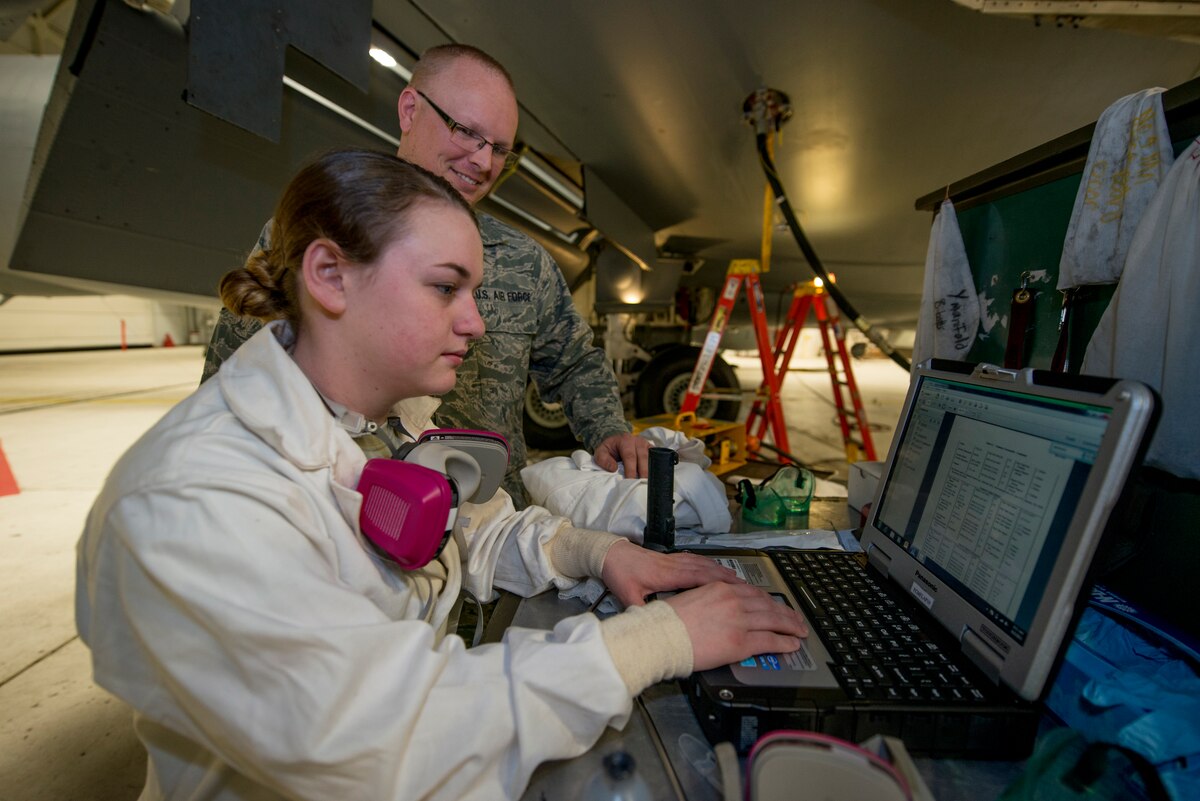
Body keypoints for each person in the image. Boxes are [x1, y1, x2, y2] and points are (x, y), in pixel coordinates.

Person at [77, 149, 808, 801]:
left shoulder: (371, 418)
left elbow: (467, 525)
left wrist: (597, 551)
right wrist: (660, 639)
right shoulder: (193, 500)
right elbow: (385, 738)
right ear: (330, 275)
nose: (477, 323)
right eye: (445, 288)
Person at [203, 44, 646, 507]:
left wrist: (609, 431)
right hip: (353, 518)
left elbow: (573, 361)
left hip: (493, 527)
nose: (483, 161)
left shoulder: (524, 260)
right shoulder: (320, 234)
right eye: (467, 132)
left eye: (499, 149)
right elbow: (231, 383)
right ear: (410, 110)